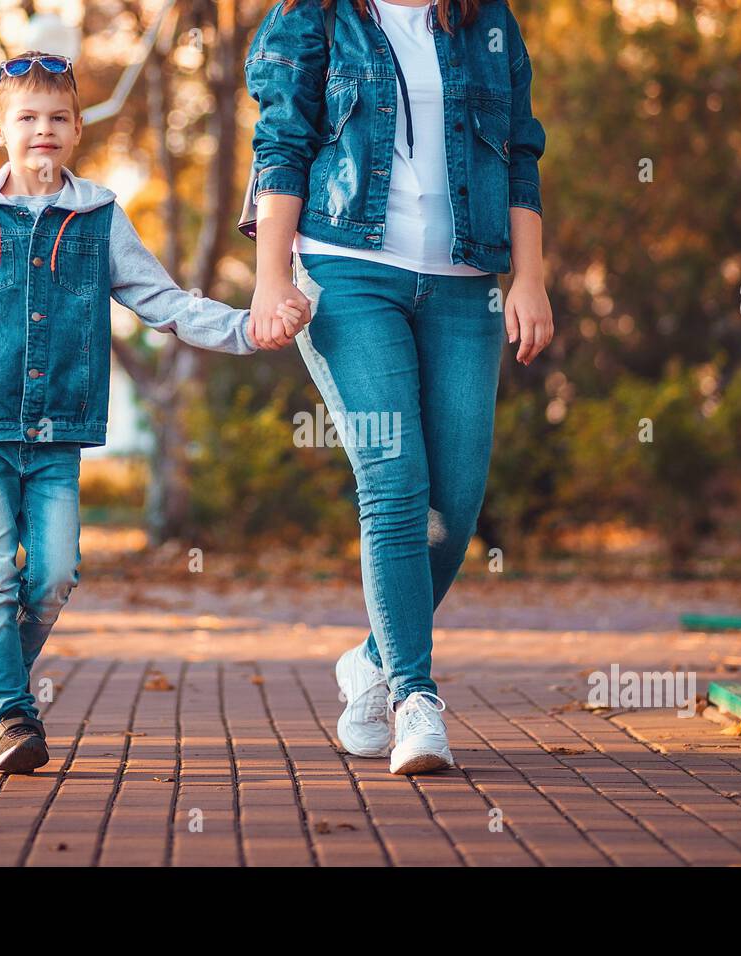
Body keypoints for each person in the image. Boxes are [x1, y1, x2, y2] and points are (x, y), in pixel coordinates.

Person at [0, 51, 307, 774]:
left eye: (58, 117)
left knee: (56, 574)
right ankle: (11, 711)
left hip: (57, 434)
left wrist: (247, 328)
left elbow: (165, 301)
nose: (43, 130)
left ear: (77, 129)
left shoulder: (99, 220)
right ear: (0, 128)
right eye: (26, 118)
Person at [245, 0, 552, 774]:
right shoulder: (313, 16)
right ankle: (416, 697)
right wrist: (269, 280)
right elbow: (282, 144)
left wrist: (531, 279)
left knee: (454, 510)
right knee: (394, 481)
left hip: (465, 283)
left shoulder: (487, 22)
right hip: (346, 271)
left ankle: (371, 660)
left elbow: (520, 151)